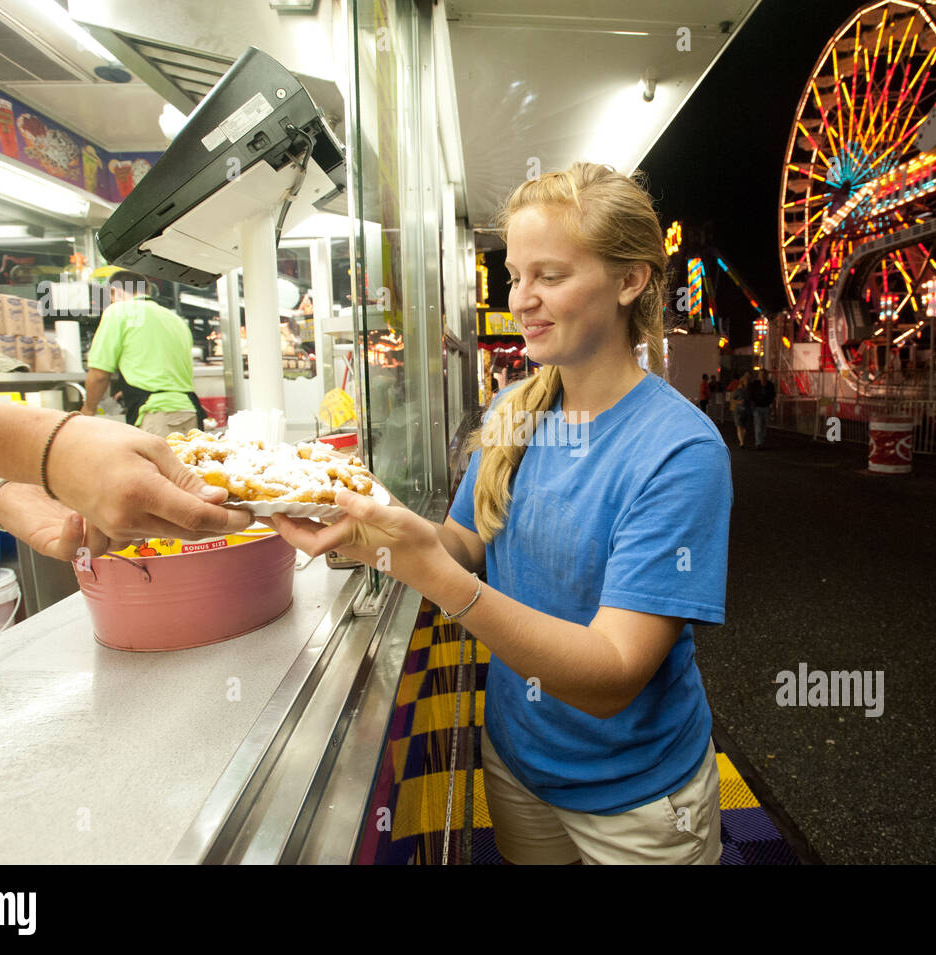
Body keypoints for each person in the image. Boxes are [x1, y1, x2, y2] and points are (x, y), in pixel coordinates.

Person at [268, 162, 732, 865]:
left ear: (630, 280)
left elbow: (611, 674)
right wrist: (371, 525)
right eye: (515, 276)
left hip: (638, 791)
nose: (523, 300)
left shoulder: (681, 452)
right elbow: (461, 542)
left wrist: (439, 580)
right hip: (517, 756)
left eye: (550, 275)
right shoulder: (514, 408)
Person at [0, 92, 248, 673]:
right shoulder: (172, 319)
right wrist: (49, 446)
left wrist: (4, 486)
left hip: (151, 414)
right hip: (180, 409)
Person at [82, 268, 201, 437]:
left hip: (155, 414)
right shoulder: (175, 319)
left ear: (115, 291)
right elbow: (164, 366)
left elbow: (99, 375)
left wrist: (87, 410)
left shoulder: (119, 311)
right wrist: (131, 389)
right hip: (189, 411)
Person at [749, 368, 776, 449]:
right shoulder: (755, 384)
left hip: (766, 407)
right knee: (758, 424)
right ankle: (758, 443)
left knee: (764, 425)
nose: (762, 376)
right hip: (757, 407)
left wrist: (770, 404)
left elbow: (772, 395)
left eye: (764, 374)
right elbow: (751, 394)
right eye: (761, 374)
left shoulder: (770, 385)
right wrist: (753, 403)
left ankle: (761, 440)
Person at [731, 372, 752, 447]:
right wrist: (738, 401)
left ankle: (742, 439)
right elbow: (732, 399)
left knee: (744, 427)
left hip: (746, 410)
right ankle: (741, 442)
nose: (747, 383)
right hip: (738, 410)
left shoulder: (749, 391)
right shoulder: (738, 390)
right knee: (739, 426)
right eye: (746, 381)